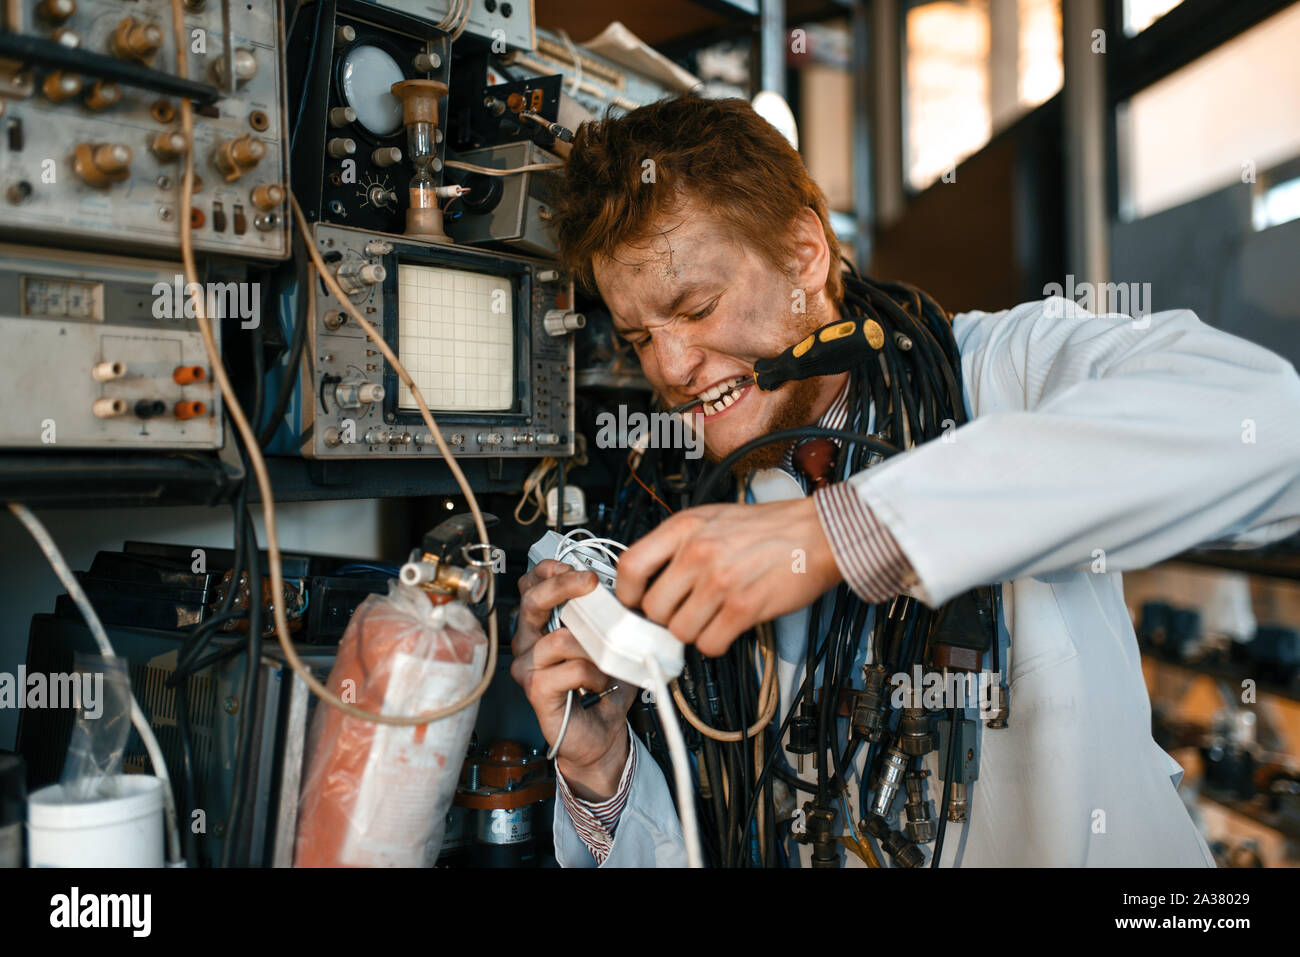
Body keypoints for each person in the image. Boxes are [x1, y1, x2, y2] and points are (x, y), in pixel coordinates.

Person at [509, 95, 1300, 866]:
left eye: (698, 306)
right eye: (641, 335)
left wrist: (839, 534)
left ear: (804, 254)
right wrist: (604, 772)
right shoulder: (703, 507)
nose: (671, 368)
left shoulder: (1002, 371)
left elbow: (1270, 424)